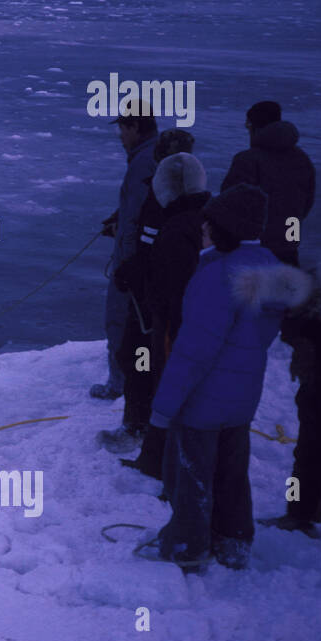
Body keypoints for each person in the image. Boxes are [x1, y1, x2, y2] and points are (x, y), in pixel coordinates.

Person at [143, 184, 313, 571]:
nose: (203, 229)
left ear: (224, 228)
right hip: (242, 397)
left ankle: (186, 547)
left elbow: (193, 353)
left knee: (190, 476)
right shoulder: (268, 267)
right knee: (232, 472)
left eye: (209, 224)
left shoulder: (218, 277)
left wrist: (163, 409)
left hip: (203, 401)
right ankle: (233, 541)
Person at [100, 130, 196, 451]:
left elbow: (152, 250)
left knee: (139, 356)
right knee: (155, 360)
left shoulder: (163, 204)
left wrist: (130, 272)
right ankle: (156, 427)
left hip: (150, 303)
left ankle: (138, 427)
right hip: (170, 302)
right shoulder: (198, 206)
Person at [119, 152, 210, 478]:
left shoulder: (176, 227)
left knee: (166, 385)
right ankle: (157, 456)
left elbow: (174, 283)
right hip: (184, 322)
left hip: (173, 324)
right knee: (165, 385)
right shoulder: (203, 219)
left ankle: (164, 463)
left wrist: (146, 292)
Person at [263, 239, 321, 550]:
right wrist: (303, 347)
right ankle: (298, 512)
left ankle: (299, 513)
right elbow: (294, 320)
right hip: (320, 384)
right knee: (308, 454)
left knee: (310, 455)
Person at [91, 100, 158, 400]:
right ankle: (140, 377)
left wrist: (127, 263)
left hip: (133, 260)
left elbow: (135, 219)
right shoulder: (154, 155)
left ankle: (119, 384)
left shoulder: (144, 161)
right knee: (143, 323)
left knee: (119, 320)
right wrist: (118, 218)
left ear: (135, 127)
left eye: (122, 128)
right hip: (149, 259)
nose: (120, 135)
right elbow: (140, 209)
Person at [220, 101, 315, 266]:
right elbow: (307, 201)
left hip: (256, 249)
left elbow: (229, 205)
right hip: (290, 242)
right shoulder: (301, 158)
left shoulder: (247, 160)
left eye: (247, 124)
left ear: (253, 126)